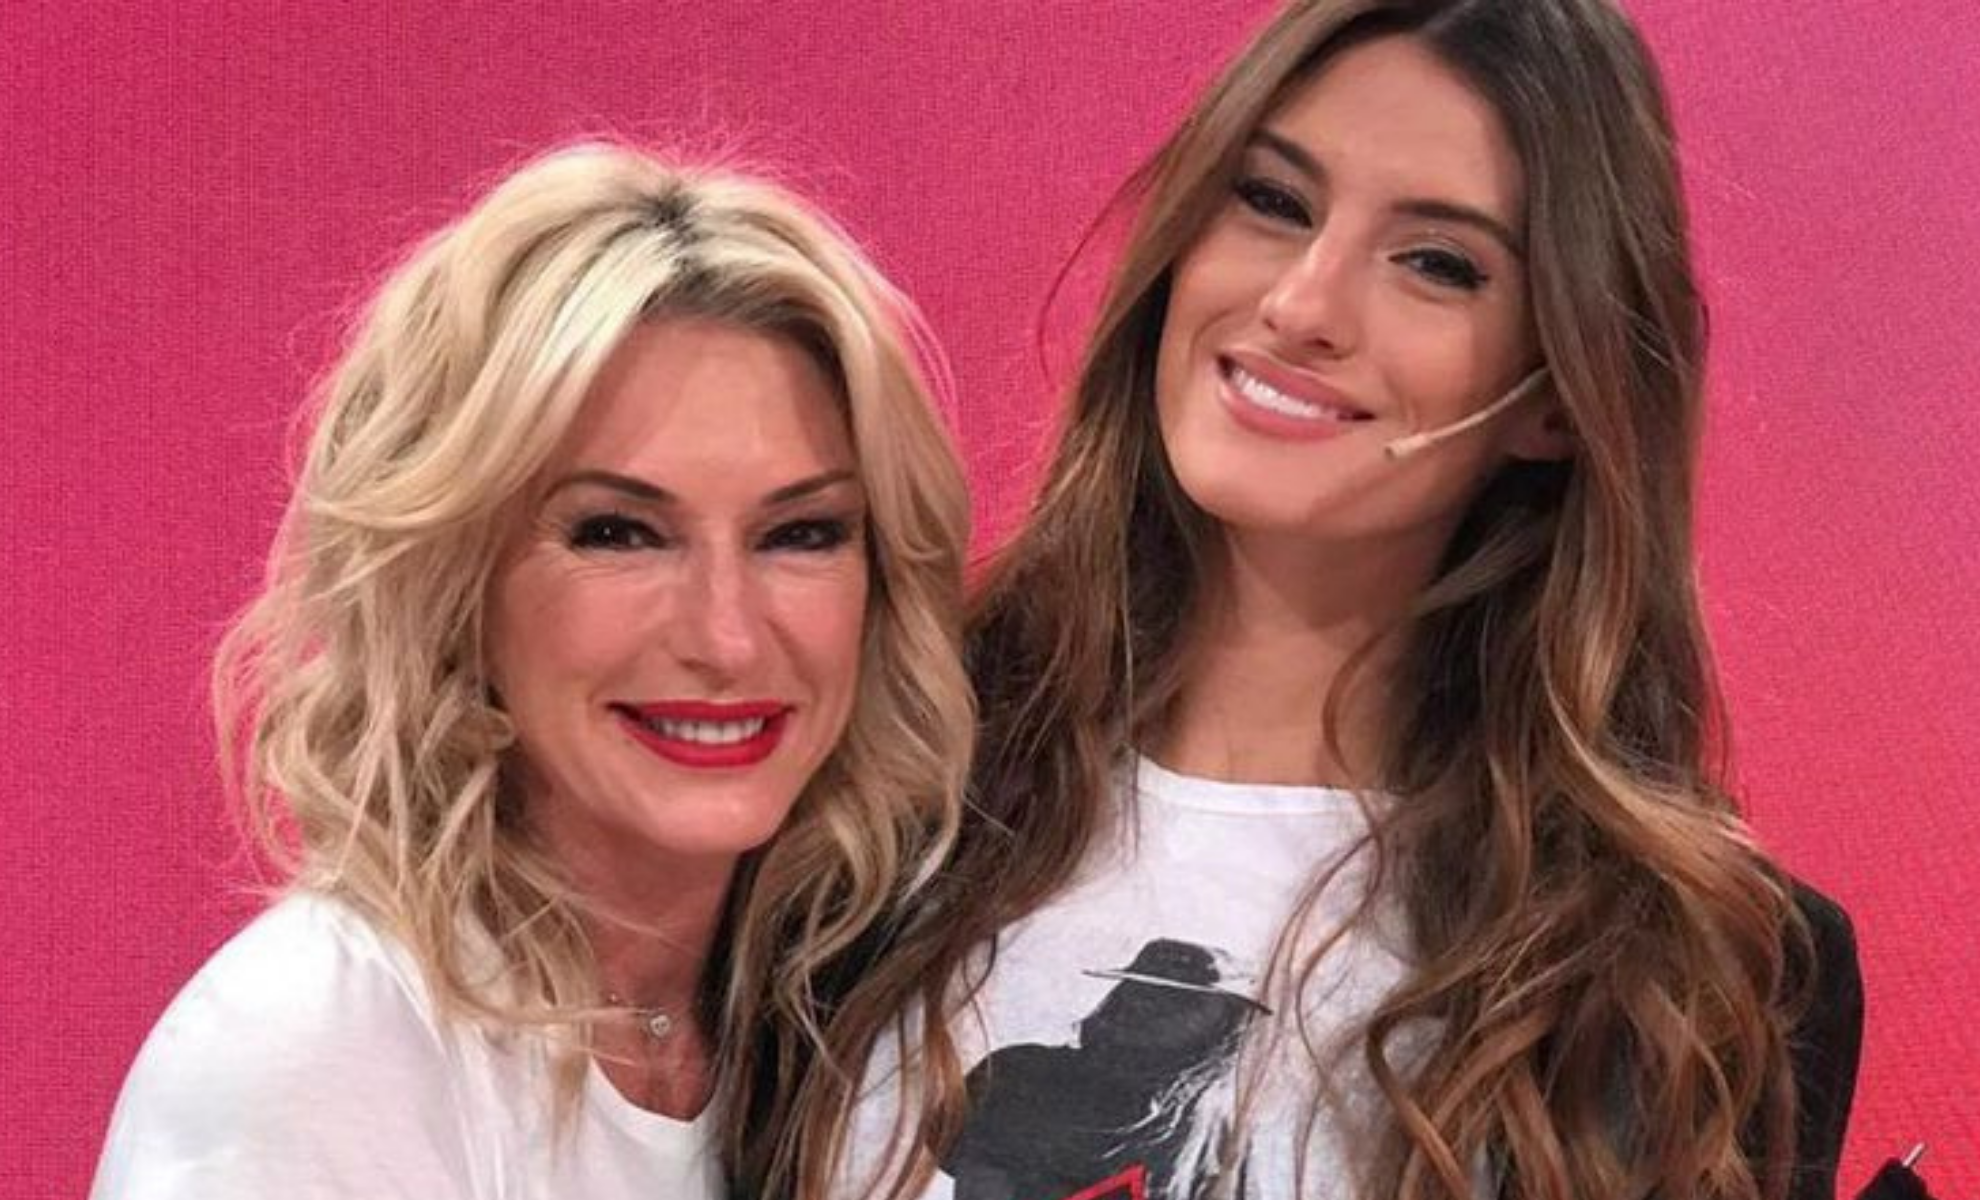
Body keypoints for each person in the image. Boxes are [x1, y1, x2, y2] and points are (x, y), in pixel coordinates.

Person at [757, 3, 1864, 1200]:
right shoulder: (869, 783)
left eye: (1437, 264)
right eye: (1273, 201)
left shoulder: (1709, 978)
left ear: (1555, 393)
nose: (1301, 305)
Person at [88, 141, 973, 1199]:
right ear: (453, 583)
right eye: (617, 533)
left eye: (800, 534)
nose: (727, 637)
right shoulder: (312, 1058)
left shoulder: (879, 1024)